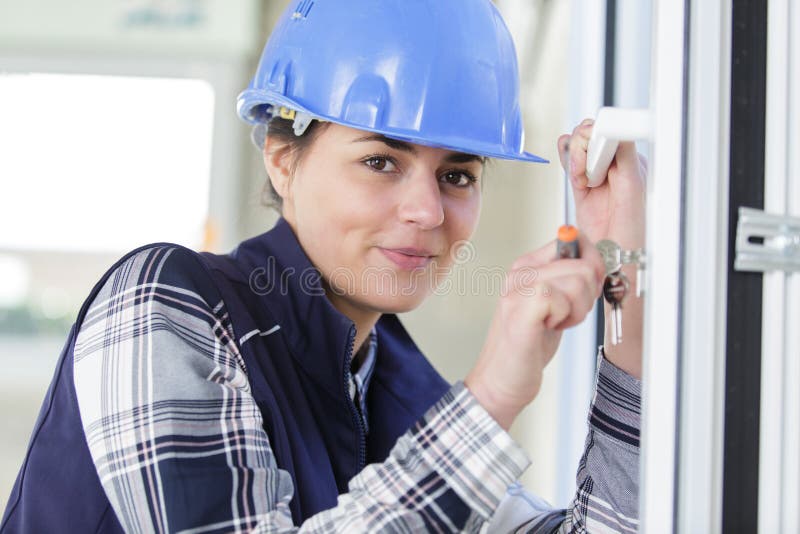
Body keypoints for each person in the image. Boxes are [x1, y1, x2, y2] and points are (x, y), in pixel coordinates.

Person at [1, 0, 645, 532]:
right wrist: (494, 394)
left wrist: (626, 286)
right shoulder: (160, 308)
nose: (427, 211)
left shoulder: (405, 393)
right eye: (380, 162)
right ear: (283, 159)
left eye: (457, 175)